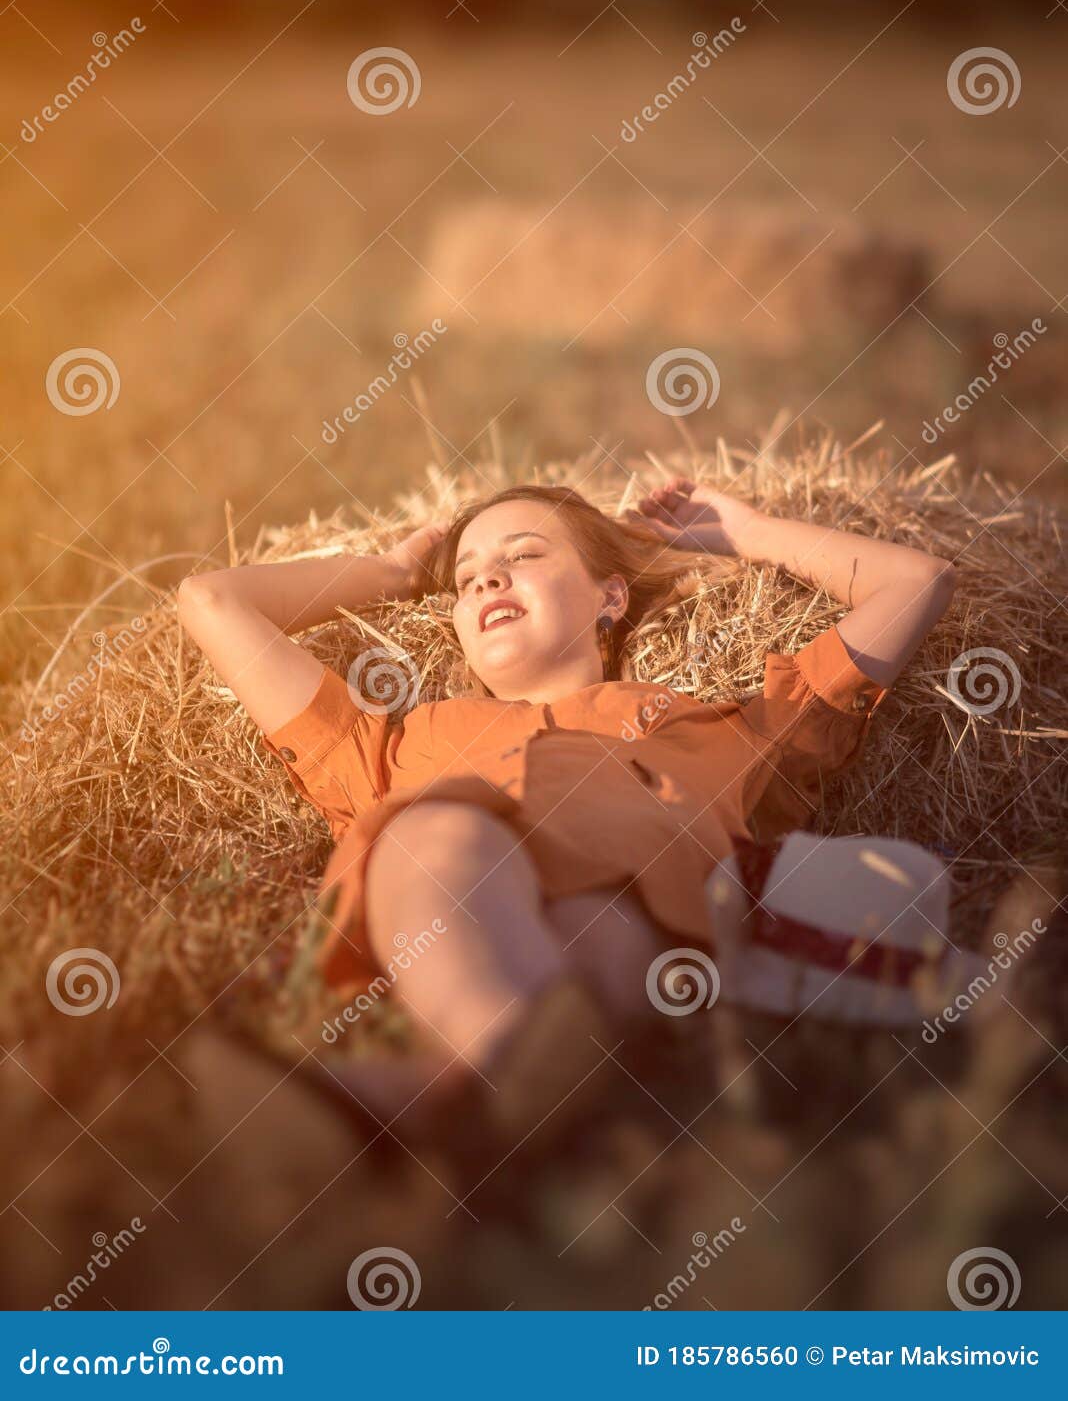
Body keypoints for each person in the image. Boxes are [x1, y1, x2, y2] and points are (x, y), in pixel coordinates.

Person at [176, 477, 955, 1153]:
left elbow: (916, 582)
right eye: (468, 577)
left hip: (634, 922)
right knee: (444, 832)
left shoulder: (725, 731)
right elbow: (212, 600)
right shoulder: (399, 746)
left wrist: (746, 531)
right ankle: (501, 1091)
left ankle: (420, 1109)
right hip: (455, 888)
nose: (486, 581)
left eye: (522, 555)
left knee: (608, 923)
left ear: (610, 596)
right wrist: (388, 571)